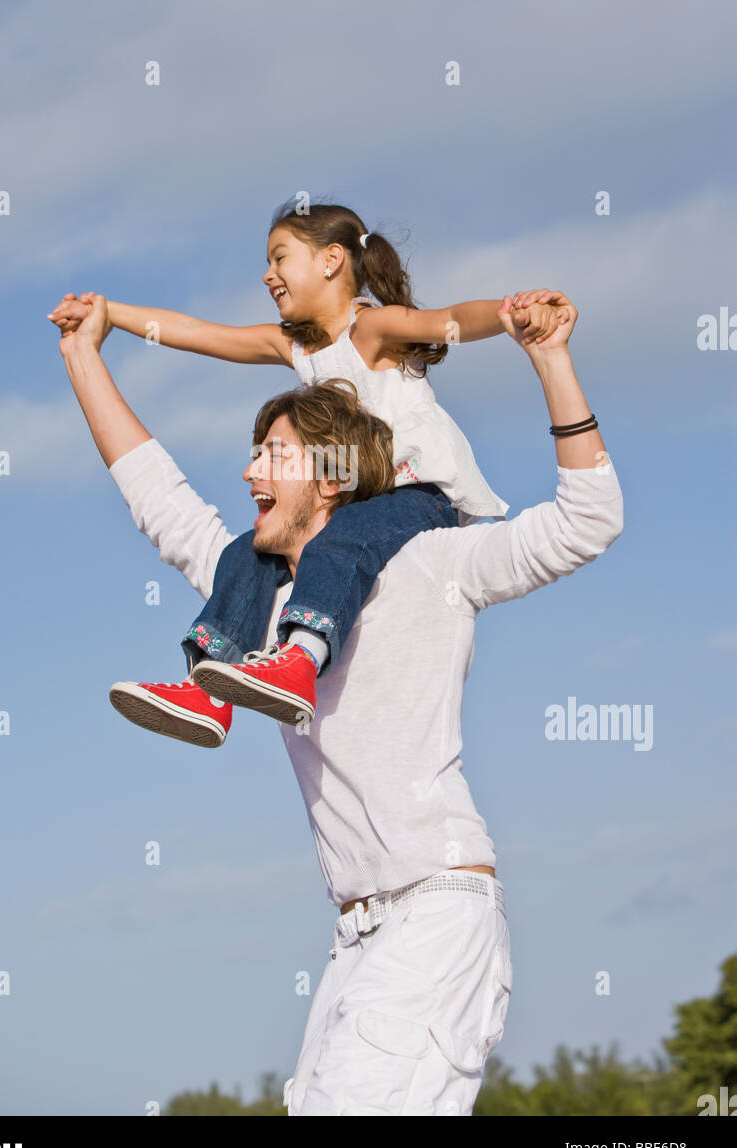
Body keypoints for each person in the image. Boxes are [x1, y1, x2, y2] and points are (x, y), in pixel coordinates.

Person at [54, 284, 623, 1116]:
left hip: (434, 914)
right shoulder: (260, 602)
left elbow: (588, 521)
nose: (249, 470)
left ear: (329, 480)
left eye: (271, 455)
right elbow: (158, 498)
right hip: (359, 936)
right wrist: (82, 356)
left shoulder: (427, 565)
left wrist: (551, 361)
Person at [49, 201, 564, 746]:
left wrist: (513, 314)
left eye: (280, 258)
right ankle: (211, 690)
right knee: (249, 552)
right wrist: (108, 313)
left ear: (331, 260)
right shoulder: (295, 347)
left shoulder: (372, 328)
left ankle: (301, 657)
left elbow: (448, 320)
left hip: (417, 493)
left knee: (335, 541)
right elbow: (202, 333)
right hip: (351, 494)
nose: (268, 274)